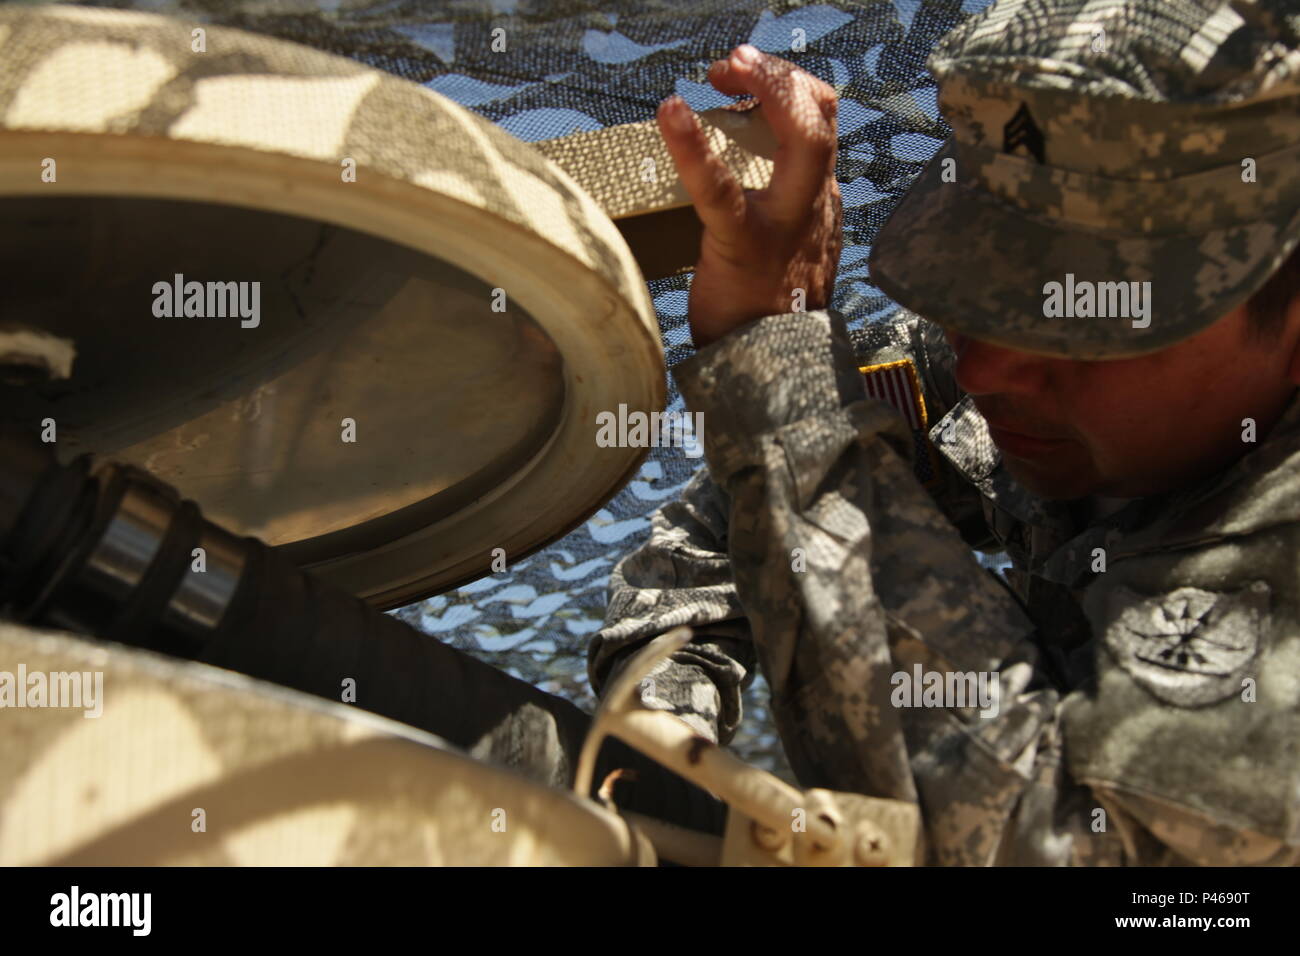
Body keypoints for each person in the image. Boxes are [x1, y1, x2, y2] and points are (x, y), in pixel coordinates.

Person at [589, 0, 1300, 864]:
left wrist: (774, 376)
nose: (985, 373)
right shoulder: (998, 364)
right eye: (977, 294)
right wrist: (662, 749)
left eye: (1083, 328)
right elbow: (724, 531)